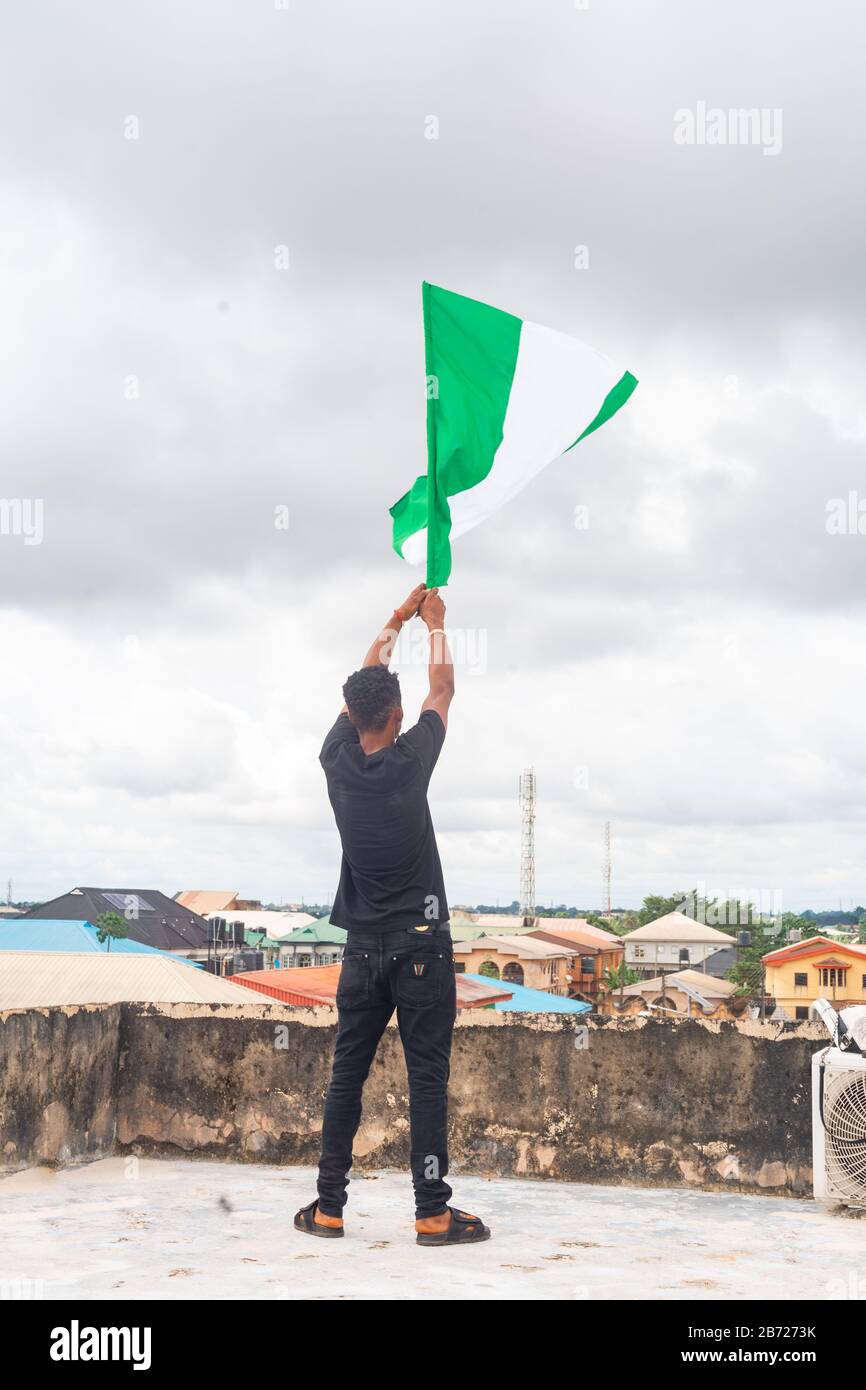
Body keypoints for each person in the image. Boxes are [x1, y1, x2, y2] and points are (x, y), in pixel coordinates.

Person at [294, 584, 490, 1246]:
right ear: (398, 716)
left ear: (350, 716)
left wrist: (398, 618)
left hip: (361, 951)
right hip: (421, 950)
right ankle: (432, 1212)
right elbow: (444, 688)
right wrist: (435, 623)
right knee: (427, 1083)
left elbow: (366, 687)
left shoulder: (336, 761)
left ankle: (327, 1209)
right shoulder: (411, 761)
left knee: (345, 1075)